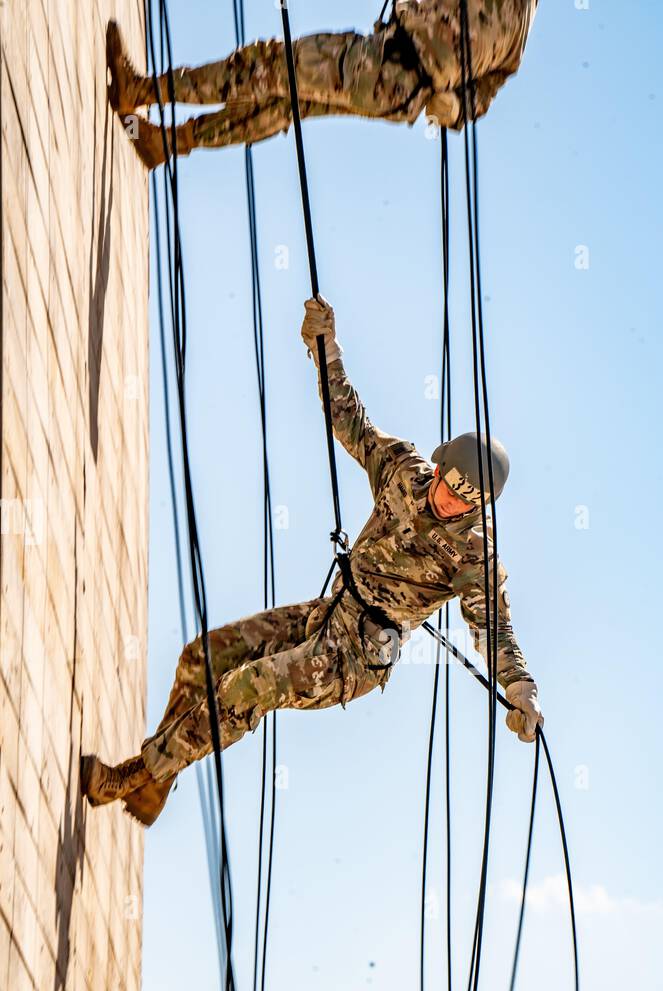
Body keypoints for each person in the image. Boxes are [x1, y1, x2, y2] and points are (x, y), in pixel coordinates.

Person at [81, 296, 543, 826]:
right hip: (327, 613)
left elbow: (495, 628)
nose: (452, 501)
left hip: (355, 656)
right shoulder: (403, 470)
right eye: (452, 485)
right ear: (439, 466)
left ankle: (133, 775)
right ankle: (156, 782)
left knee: (246, 688)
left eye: (469, 500)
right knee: (200, 659)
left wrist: (519, 688)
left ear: (481, 507)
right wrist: (324, 349)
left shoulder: (474, 552)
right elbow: (350, 421)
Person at [106, 2, 540, 169]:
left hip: (384, 71)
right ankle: (167, 142)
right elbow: (486, 89)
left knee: (264, 68)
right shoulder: (518, 29)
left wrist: (460, 110)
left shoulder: (518, 33)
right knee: (279, 106)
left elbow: (486, 91)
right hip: (391, 77)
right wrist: (462, 107)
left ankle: (140, 93)